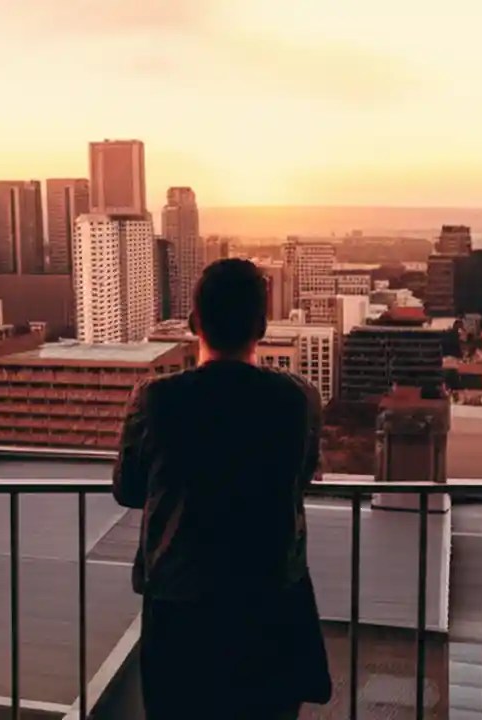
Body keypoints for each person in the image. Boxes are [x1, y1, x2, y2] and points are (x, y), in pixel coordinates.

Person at [113, 259, 332, 719]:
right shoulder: (298, 399)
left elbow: (129, 489)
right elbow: (302, 479)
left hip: (181, 607)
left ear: (194, 323)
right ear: (262, 325)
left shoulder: (157, 400)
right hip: (270, 606)